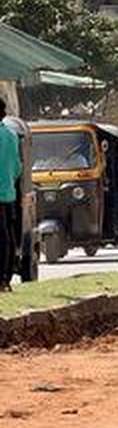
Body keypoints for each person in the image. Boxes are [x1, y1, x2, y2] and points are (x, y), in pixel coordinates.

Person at [0, 100, 20, 290]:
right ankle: (5, 278)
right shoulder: (12, 135)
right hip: (8, 195)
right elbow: (17, 169)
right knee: (7, 236)